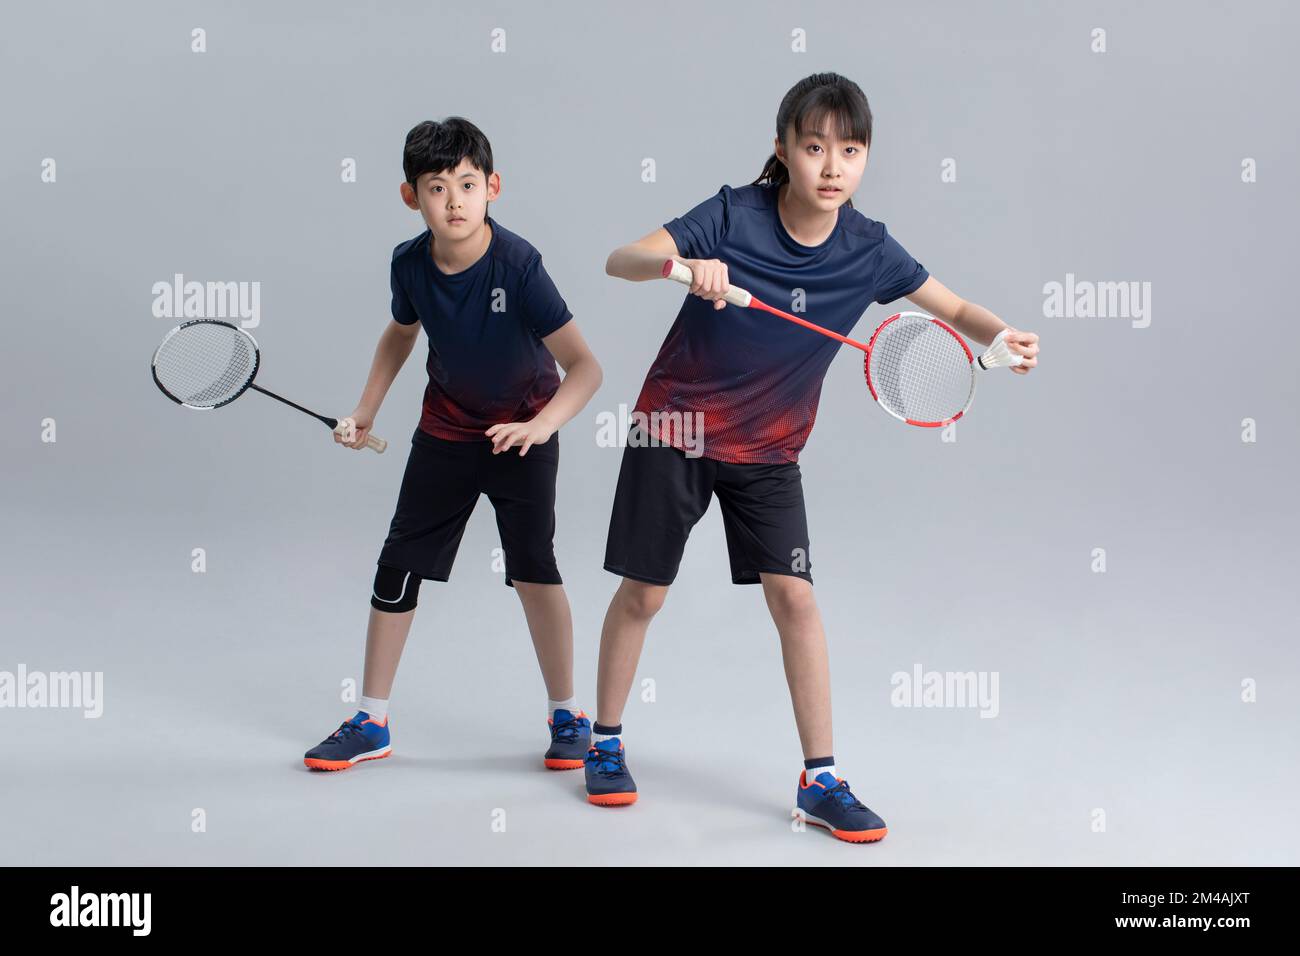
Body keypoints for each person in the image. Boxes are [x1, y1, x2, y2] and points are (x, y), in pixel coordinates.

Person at [591, 73, 1039, 841]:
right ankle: (602, 742)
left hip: (769, 448)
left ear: (865, 159)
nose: (833, 165)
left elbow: (956, 308)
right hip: (675, 428)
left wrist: (998, 336)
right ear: (783, 151)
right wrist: (680, 267)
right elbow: (619, 260)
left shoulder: (868, 249)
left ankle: (819, 779)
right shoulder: (732, 213)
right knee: (645, 592)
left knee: (795, 598)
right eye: (814, 147)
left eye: (851, 150)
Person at [303, 117, 603, 774]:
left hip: (521, 434)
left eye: (468, 184)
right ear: (411, 198)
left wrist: (541, 426)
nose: (456, 201)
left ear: (493, 186)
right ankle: (372, 720)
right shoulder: (410, 264)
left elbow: (585, 367)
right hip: (446, 430)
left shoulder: (520, 267)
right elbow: (401, 333)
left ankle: (567, 713)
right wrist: (365, 409)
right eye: (438, 188)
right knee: (397, 566)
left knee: (532, 570)